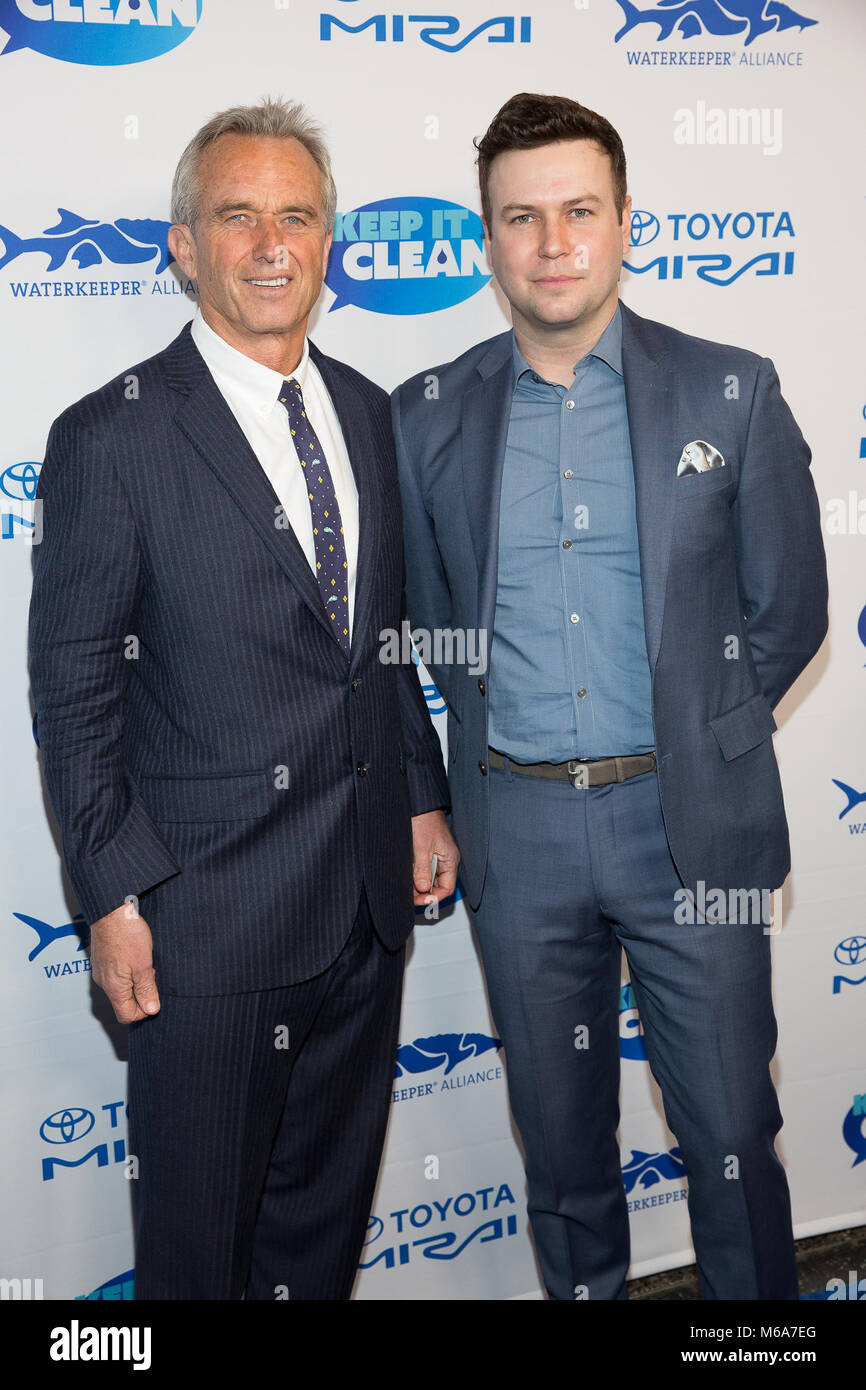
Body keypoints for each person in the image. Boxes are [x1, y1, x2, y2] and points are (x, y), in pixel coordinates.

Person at [392, 91, 827, 1301]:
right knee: (564, 1152)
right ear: (487, 241)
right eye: (520, 218)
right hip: (517, 838)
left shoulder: (728, 389)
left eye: (578, 210)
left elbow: (785, 611)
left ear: (625, 221)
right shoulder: (426, 419)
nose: (551, 242)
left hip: (693, 829)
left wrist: (707, 745)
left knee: (733, 1136)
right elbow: (425, 636)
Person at [28, 96, 458, 1301]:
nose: (271, 243)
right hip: (199, 928)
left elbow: (382, 642)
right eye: (237, 216)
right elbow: (70, 683)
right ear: (184, 244)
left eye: (297, 216)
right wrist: (109, 891)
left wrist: (421, 797)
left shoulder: (372, 413)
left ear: (328, 245)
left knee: (317, 1239)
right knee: (195, 1255)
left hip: (364, 909)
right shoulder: (110, 436)